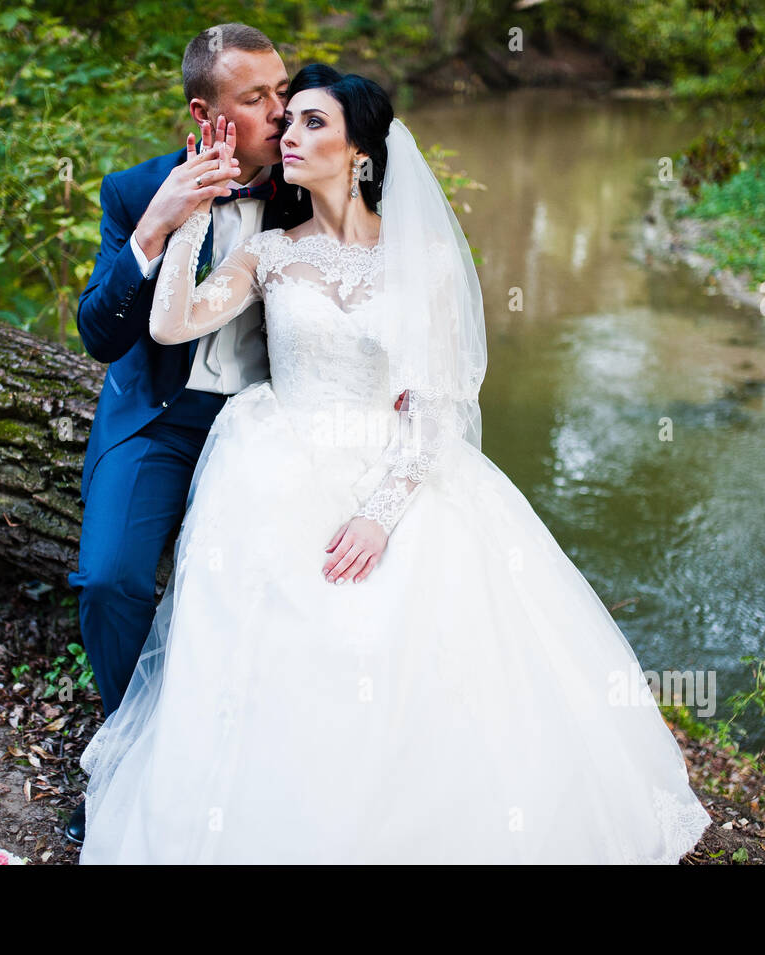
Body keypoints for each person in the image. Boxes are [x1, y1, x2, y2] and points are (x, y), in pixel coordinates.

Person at [78, 64, 713, 863]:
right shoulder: (272, 252)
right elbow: (170, 327)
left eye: (312, 123)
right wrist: (191, 221)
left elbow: (441, 401)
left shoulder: (427, 263)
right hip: (278, 457)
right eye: (288, 118)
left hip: (396, 467)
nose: (288, 134)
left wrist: (379, 515)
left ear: (362, 157)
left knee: (420, 620)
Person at [64, 23, 311, 844]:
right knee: (110, 580)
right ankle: (131, 759)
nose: (283, 112)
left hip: (273, 420)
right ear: (206, 113)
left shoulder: (309, 182)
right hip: (163, 418)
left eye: (284, 90)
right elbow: (99, 334)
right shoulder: (136, 190)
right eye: (258, 99)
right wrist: (153, 232)